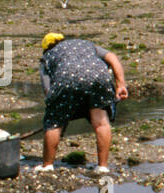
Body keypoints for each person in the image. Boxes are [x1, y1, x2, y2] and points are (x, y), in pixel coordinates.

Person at [34, 33, 128, 174]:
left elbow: (48, 92)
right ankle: (102, 166)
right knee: (101, 122)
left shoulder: (46, 58)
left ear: (46, 48)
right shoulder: (85, 44)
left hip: (66, 79)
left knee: (54, 123)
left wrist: (59, 113)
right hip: (98, 76)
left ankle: (47, 166)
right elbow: (112, 57)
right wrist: (121, 84)